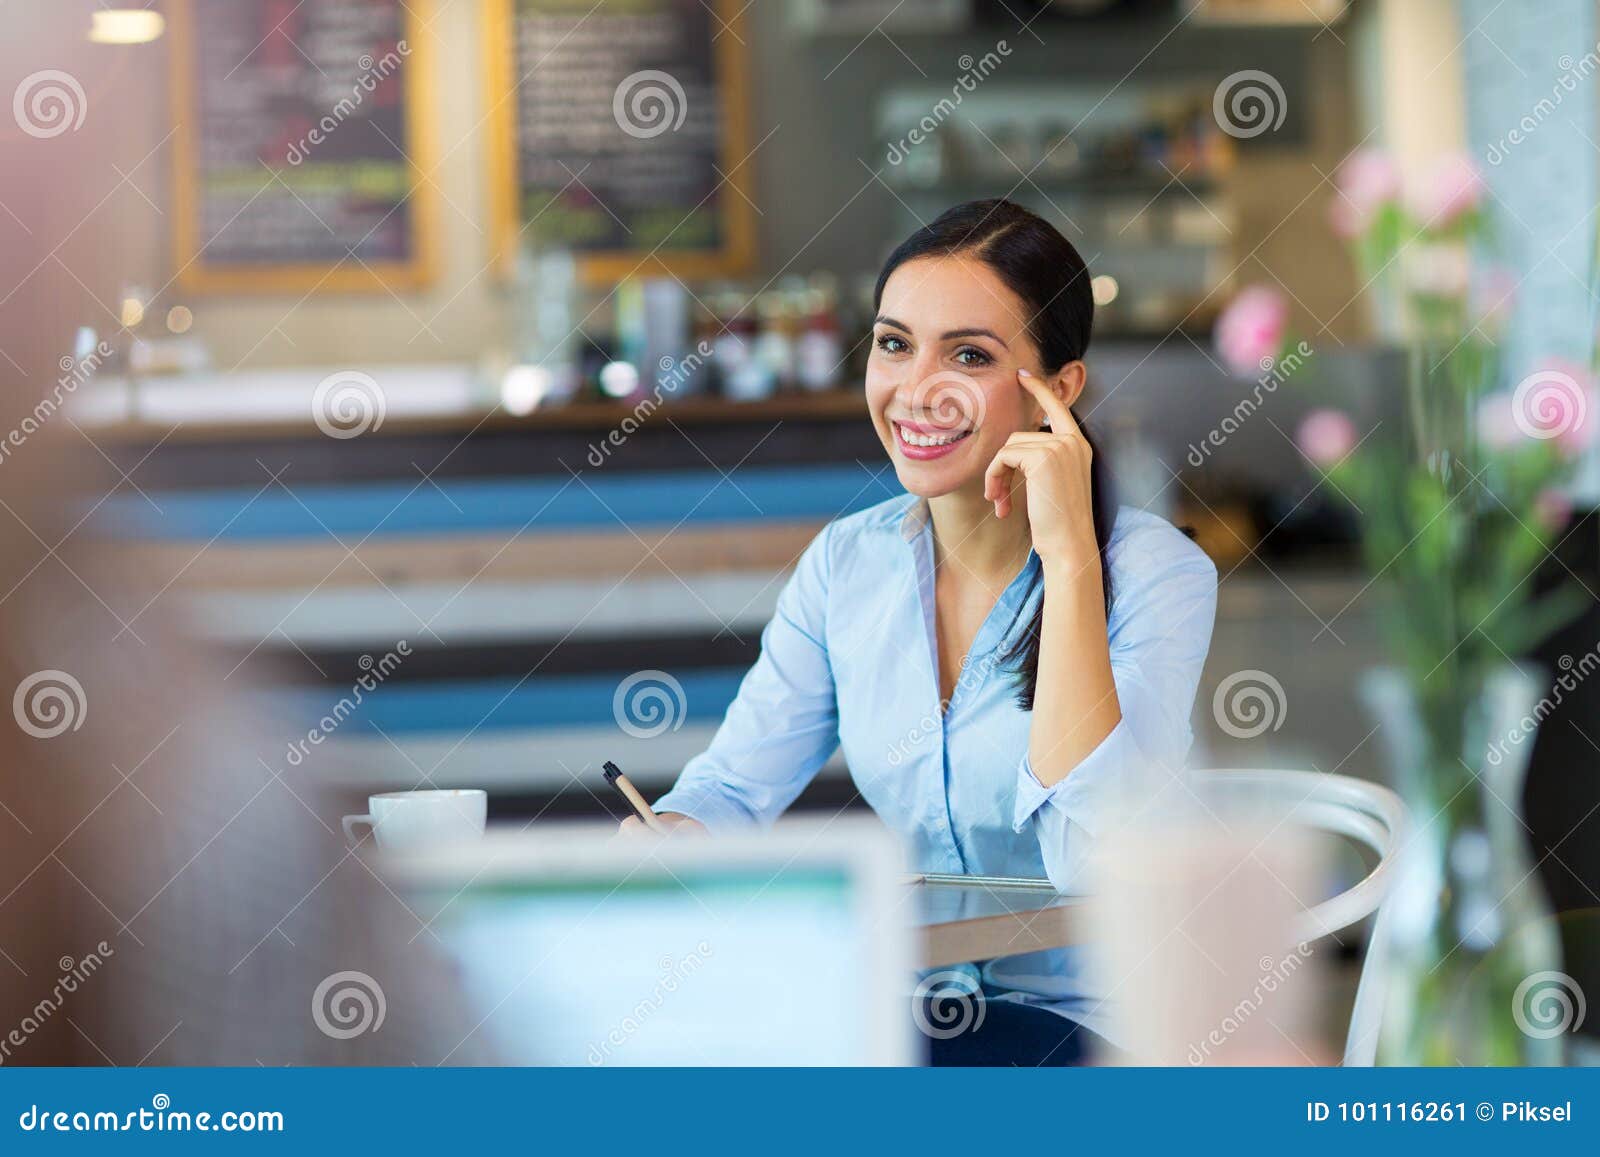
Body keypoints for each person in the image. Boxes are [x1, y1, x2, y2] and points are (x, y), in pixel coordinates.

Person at [622, 199, 1218, 1065]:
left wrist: (1068, 563)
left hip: (1101, 1030)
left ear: (1059, 391)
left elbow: (1099, 858)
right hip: (915, 1011)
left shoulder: (1155, 575)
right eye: (895, 344)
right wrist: (680, 829)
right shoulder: (847, 565)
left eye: (969, 355)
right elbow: (735, 787)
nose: (917, 388)